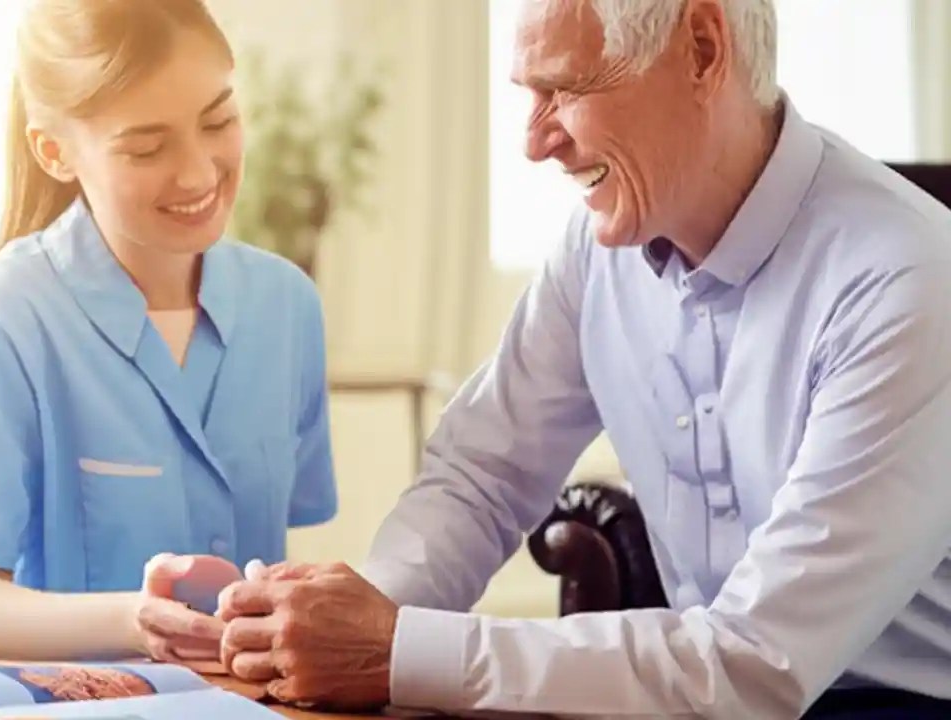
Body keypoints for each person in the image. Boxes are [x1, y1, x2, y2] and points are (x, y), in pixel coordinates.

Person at [215, 0, 951, 717]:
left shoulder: (907, 279)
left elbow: (756, 666)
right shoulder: (600, 249)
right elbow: (483, 474)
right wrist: (355, 619)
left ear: (700, 48)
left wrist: (396, 650)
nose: (535, 142)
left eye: (564, 88)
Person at [0, 0, 337, 665]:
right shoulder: (2, 316)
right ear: (54, 150)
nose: (197, 172)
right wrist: (132, 621)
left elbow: (277, 554)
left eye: (218, 120)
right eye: (146, 147)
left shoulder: (287, 305)